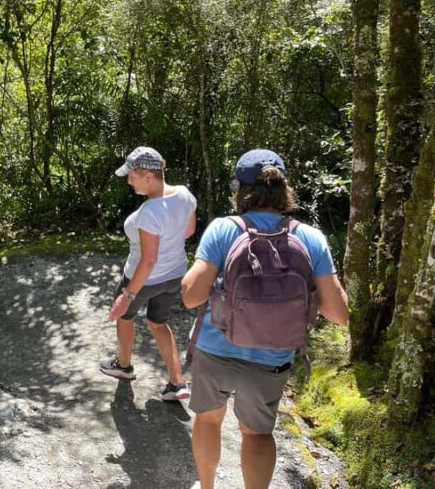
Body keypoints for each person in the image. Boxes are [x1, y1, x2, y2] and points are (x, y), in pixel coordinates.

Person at [182, 149, 349, 489]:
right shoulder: (309, 237)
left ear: (240, 189)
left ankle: (207, 486)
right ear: (284, 189)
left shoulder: (223, 230)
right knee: (257, 432)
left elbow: (191, 297)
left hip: (216, 348)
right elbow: (338, 314)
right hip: (273, 356)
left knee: (208, 419)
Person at [100, 146, 197, 401]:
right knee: (158, 323)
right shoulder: (185, 195)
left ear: (149, 176)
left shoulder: (149, 212)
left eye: (132, 176)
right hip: (174, 274)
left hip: (143, 278)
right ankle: (177, 383)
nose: (129, 181)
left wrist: (127, 295)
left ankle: (124, 367)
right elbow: (188, 232)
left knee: (125, 317)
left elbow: (149, 260)